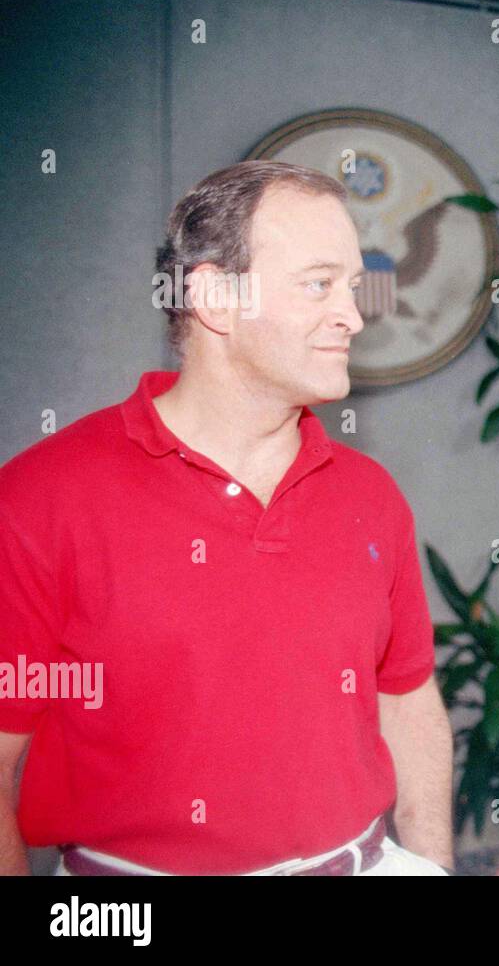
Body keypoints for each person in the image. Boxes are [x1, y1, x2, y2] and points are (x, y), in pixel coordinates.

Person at [0, 161, 453, 876]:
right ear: (214, 295)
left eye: (352, 286)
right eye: (319, 284)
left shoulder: (371, 496)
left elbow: (408, 703)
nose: (354, 316)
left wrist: (434, 865)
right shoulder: (40, 500)